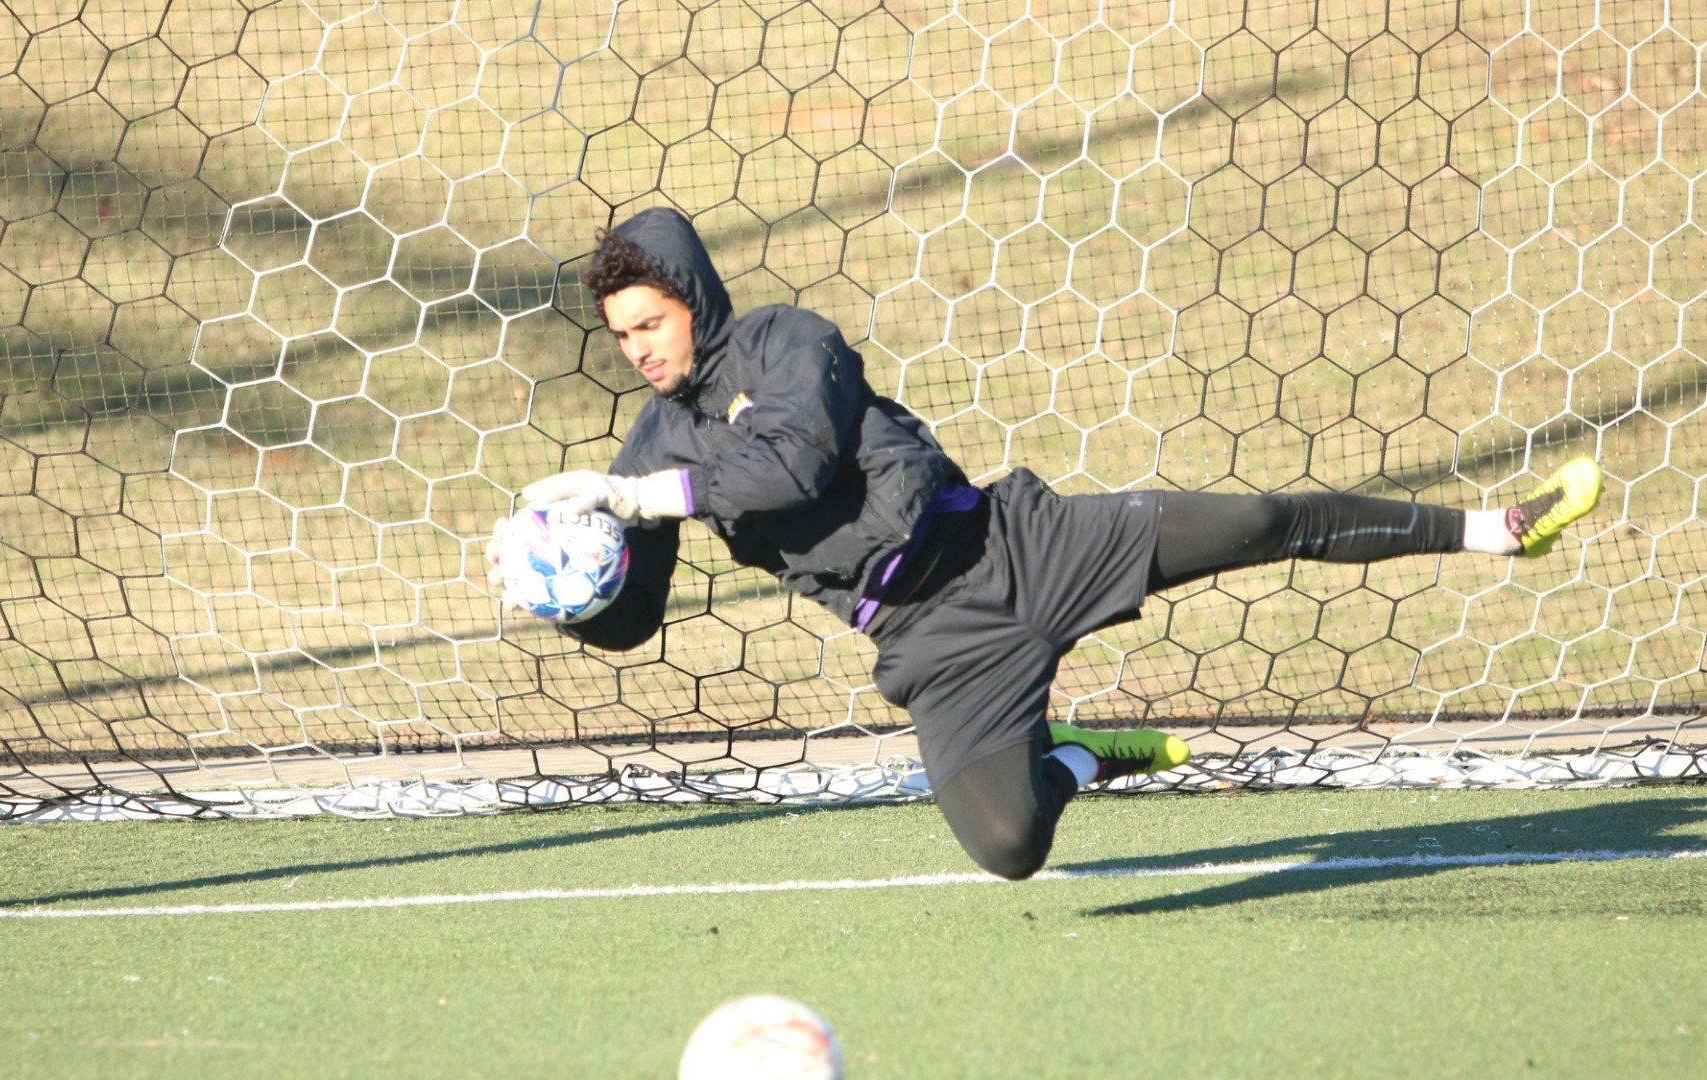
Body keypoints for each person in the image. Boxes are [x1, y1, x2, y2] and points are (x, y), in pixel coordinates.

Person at [487, 208, 1603, 880]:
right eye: (621, 335)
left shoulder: (789, 341)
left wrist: (639, 502)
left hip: (1018, 545)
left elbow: (795, 464)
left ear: (692, 298)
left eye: (651, 324)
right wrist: (577, 593)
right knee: (1009, 847)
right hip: (933, 645)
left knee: (1260, 523)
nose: (636, 349)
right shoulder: (644, 452)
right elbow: (637, 619)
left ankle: (1499, 529)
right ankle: (1078, 755)